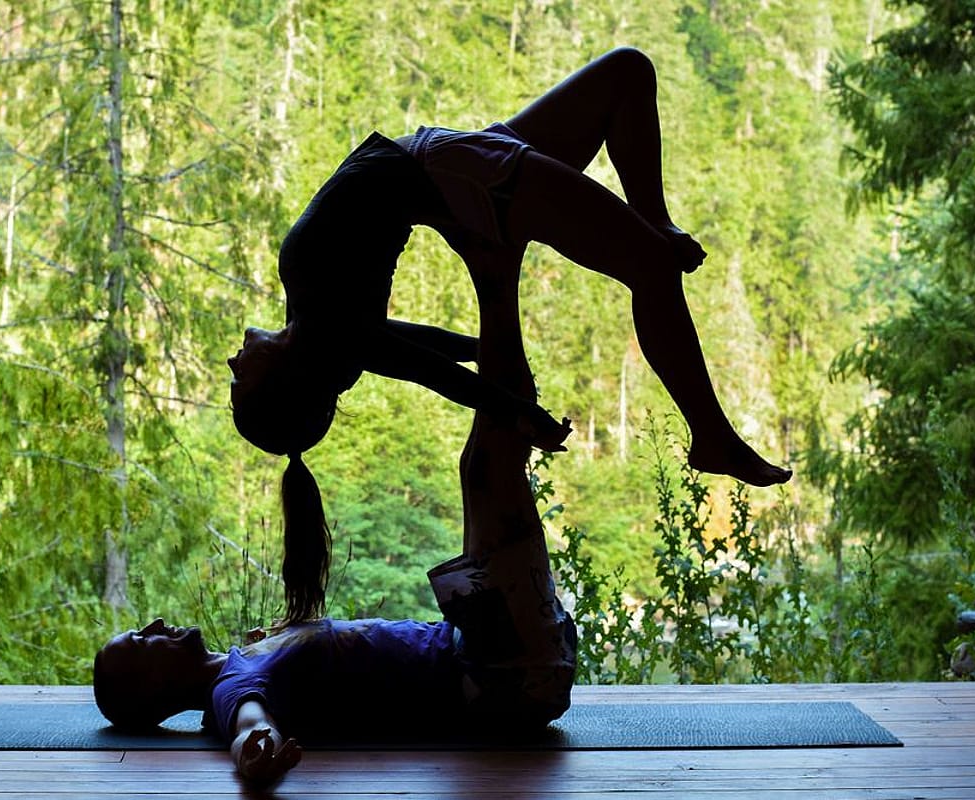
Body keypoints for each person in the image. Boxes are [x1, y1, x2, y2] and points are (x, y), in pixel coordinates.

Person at [228, 46, 792, 625]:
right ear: (283, 381)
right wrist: (520, 409)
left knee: (627, 75)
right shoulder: (318, 317)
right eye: (240, 381)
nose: (233, 363)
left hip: (454, 163)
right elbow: (435, 373)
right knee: (652, 264)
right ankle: (711, 435)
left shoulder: (320, 325)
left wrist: (483, 354)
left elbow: (414, 349)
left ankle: (655, 221)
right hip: (462, 178)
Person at [95, 242, 576, 785]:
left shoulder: (244, 657)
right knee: (488, 465)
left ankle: (499, 274)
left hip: (495, 656)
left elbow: (381, 344)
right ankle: (499, 252)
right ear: (151, 686)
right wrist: (255, 749)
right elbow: (249, 724)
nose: (153, 625)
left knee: (483, 462)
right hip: (503, 670)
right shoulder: (232, 688)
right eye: (140, 640)